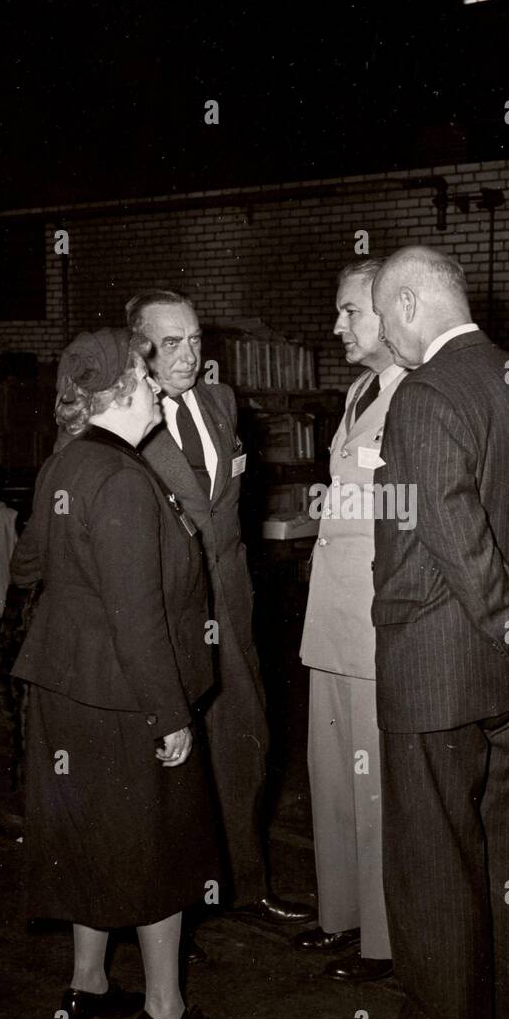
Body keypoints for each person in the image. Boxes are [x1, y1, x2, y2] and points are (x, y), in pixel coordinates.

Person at [343, 246, 509, 1019]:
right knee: (504, 849)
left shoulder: (426, 394)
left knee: (431, 868)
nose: (376, 330)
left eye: (378, 311)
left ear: (411, 304)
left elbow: (451, 531)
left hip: (435, 670)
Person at [12, 326, 243, 1019]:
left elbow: (25, 566)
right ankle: (165, 1011)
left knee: (93, 837)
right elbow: (136, 617)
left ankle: (86, 983)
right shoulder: (123, 481)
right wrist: (168, 716)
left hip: (64, 683)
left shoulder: (65, 464)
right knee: (156, 850)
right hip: (125, 696)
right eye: (146, 380)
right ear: (119, 395)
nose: (156, 389)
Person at [126, 290, 315, 942]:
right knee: (168, 754)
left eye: (195, 339)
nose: (188, 355)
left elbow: (225, 509)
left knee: (244, 738)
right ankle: (169, 912)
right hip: (160, 609)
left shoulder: (222, 402)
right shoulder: (122, 417)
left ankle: (245, 885)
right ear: (140, 348)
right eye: (170, 342)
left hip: (229, 605)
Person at [295, 258, 406, 982]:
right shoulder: (360, 389)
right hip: (330, 621)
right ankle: (341, 915)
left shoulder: (415, 396)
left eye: (348, 312)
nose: (337, 326)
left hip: (373, 626)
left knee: (376, 787)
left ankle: (386, 941)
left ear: (389, 314)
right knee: (330, 775)